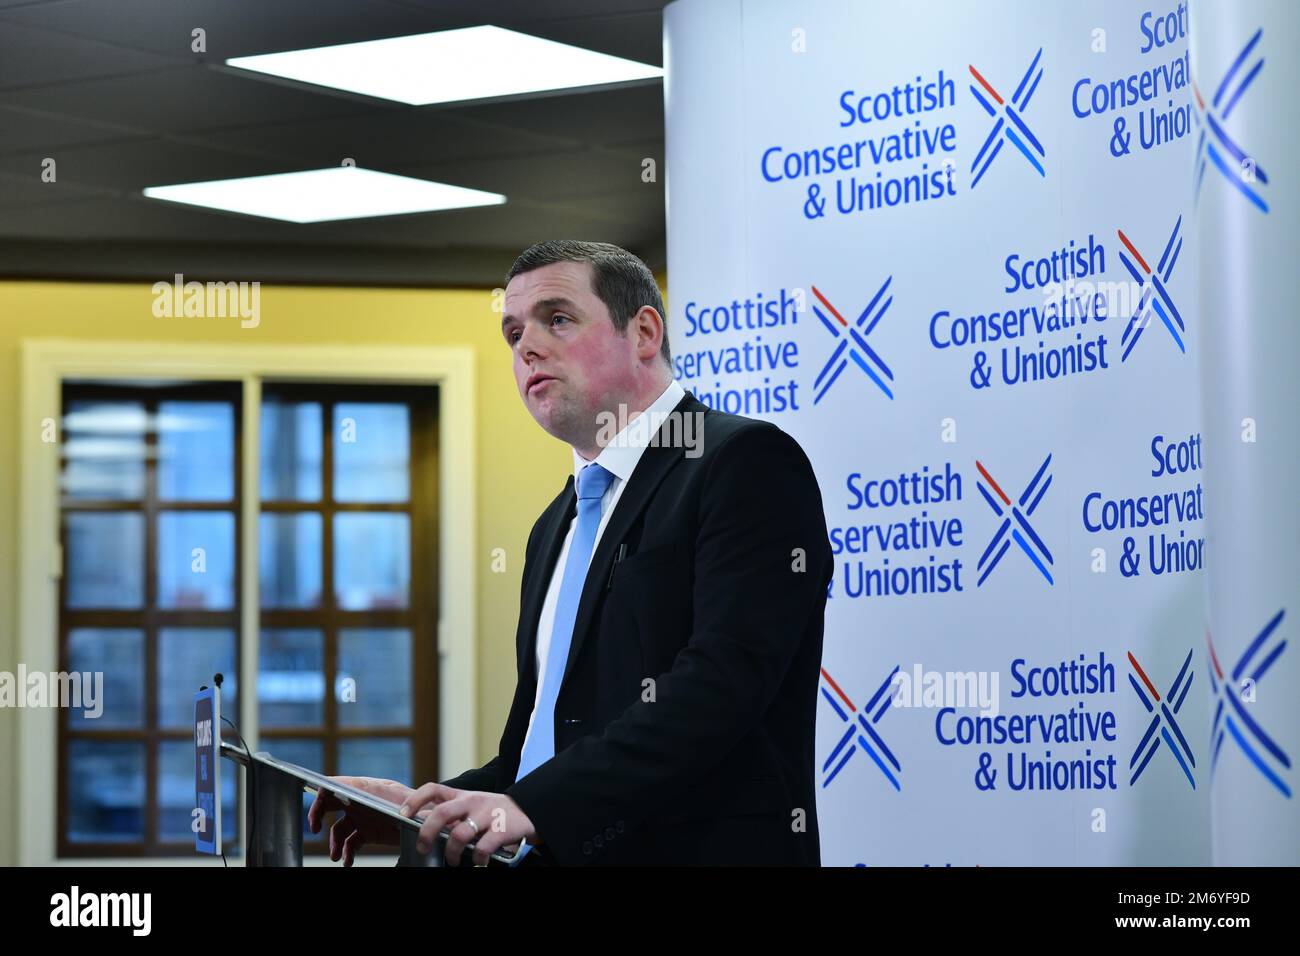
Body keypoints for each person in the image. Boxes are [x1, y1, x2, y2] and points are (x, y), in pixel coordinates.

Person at [308, 240, 832, 866]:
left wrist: (538, 806)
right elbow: (538, 751)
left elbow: (720, 686)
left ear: (642, 332)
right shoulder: (554, 525)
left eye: (556, 318)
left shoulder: (742, 463)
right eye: (511, 332)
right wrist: (423, 813)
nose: (526, 346)